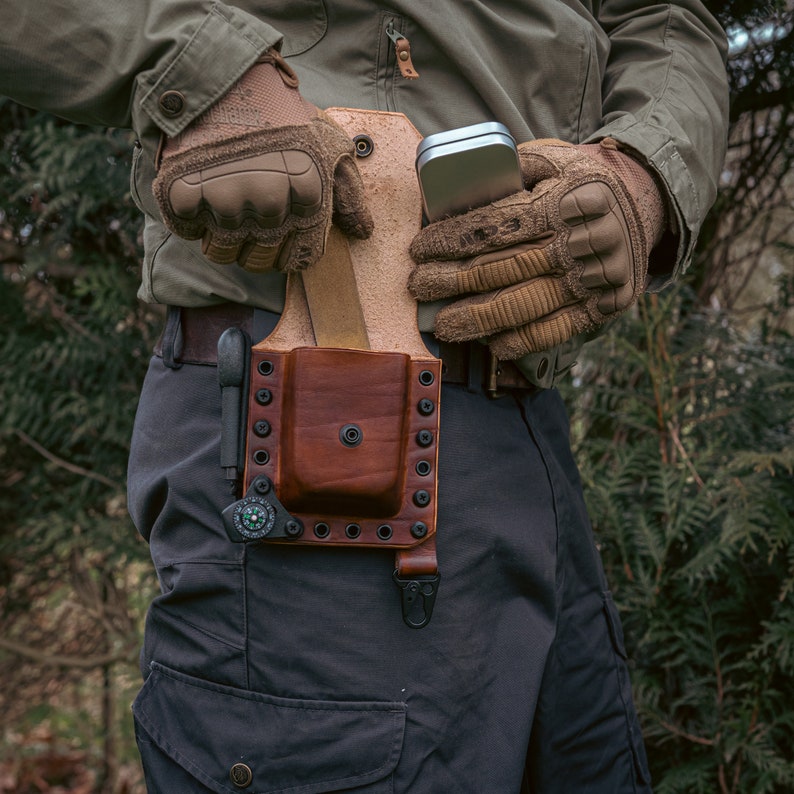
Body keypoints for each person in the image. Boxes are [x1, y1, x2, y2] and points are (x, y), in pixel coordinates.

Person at [0, 2, 729, 791]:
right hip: (317, 412)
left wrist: (644, 172)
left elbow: (666, 17)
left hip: (525, 427)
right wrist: (200, 70)